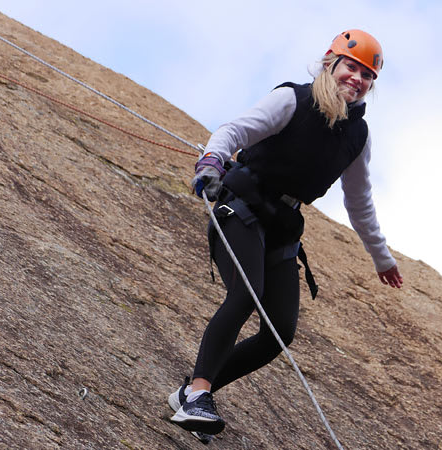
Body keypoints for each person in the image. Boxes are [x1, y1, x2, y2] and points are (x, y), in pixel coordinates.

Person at [167, 29, 403, 437]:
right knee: (246, 293)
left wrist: (381, 257)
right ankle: (199, 394)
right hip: (241, 205)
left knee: (279, 331)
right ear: (331, 62)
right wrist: (211, 161)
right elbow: (236, 131)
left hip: (282, 226)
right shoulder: (294, 99)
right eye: (351, 67)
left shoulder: (358, 137)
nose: (358, 78)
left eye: (367, 75)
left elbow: (359, 202)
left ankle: (190, 393)